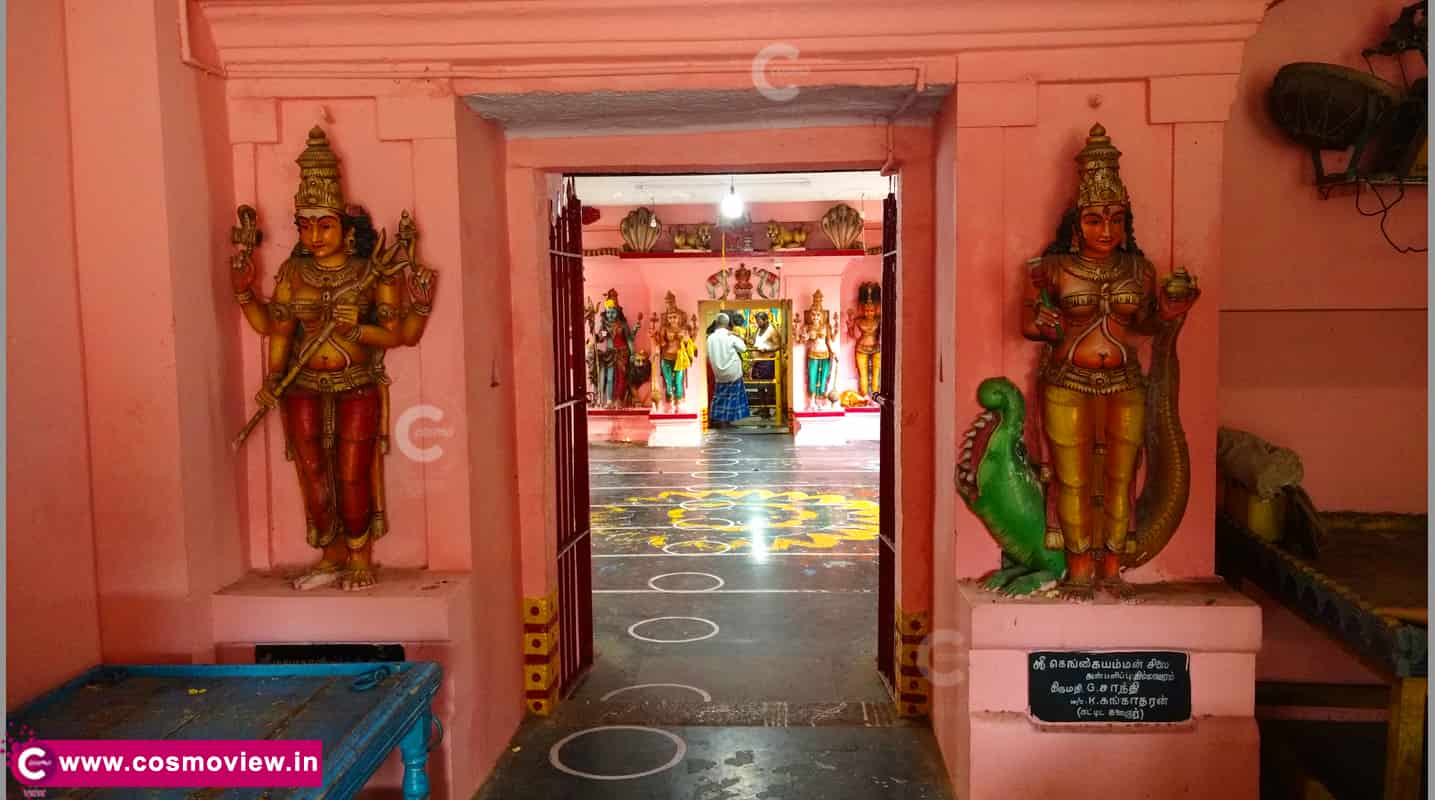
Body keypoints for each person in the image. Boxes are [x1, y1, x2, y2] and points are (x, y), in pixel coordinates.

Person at [229, 126, 437, 591]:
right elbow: (276, 329)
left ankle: (360, 554)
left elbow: (399, 335)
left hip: (355, 382)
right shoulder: (293, 272)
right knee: (311, 470)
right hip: (300, 386)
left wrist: (363, 326)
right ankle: (330, 552)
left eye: (324, 225)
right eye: (306, 225)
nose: (315, 235)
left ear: (345, 227)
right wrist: (246, 297)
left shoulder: (370, 271)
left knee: (353, 469)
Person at [1021, 123, 1199, 596]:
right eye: (1097, 219)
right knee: (1073, 478)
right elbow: (1030, 324)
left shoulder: (1138, 270)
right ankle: (1079, 567)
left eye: (1116, 219)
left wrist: (1168, 311)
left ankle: (1112, 567)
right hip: (1068, 380)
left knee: (1122, 476)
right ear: (1076, 224)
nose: (1107, 230)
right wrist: (1044, 323)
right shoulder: (1051, 269)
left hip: (1123, 380)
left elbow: (1142, 325)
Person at [705, 313, 749, 428]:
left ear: (716, 322)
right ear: (727, 324)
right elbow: (743, 349)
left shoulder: (710, 338)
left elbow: (708, 355)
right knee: (732, 398)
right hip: (733, 371)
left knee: (720, 396)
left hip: (718, 372)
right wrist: (737, 336)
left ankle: (719, 420)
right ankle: (727, 421)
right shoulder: (730, 336)